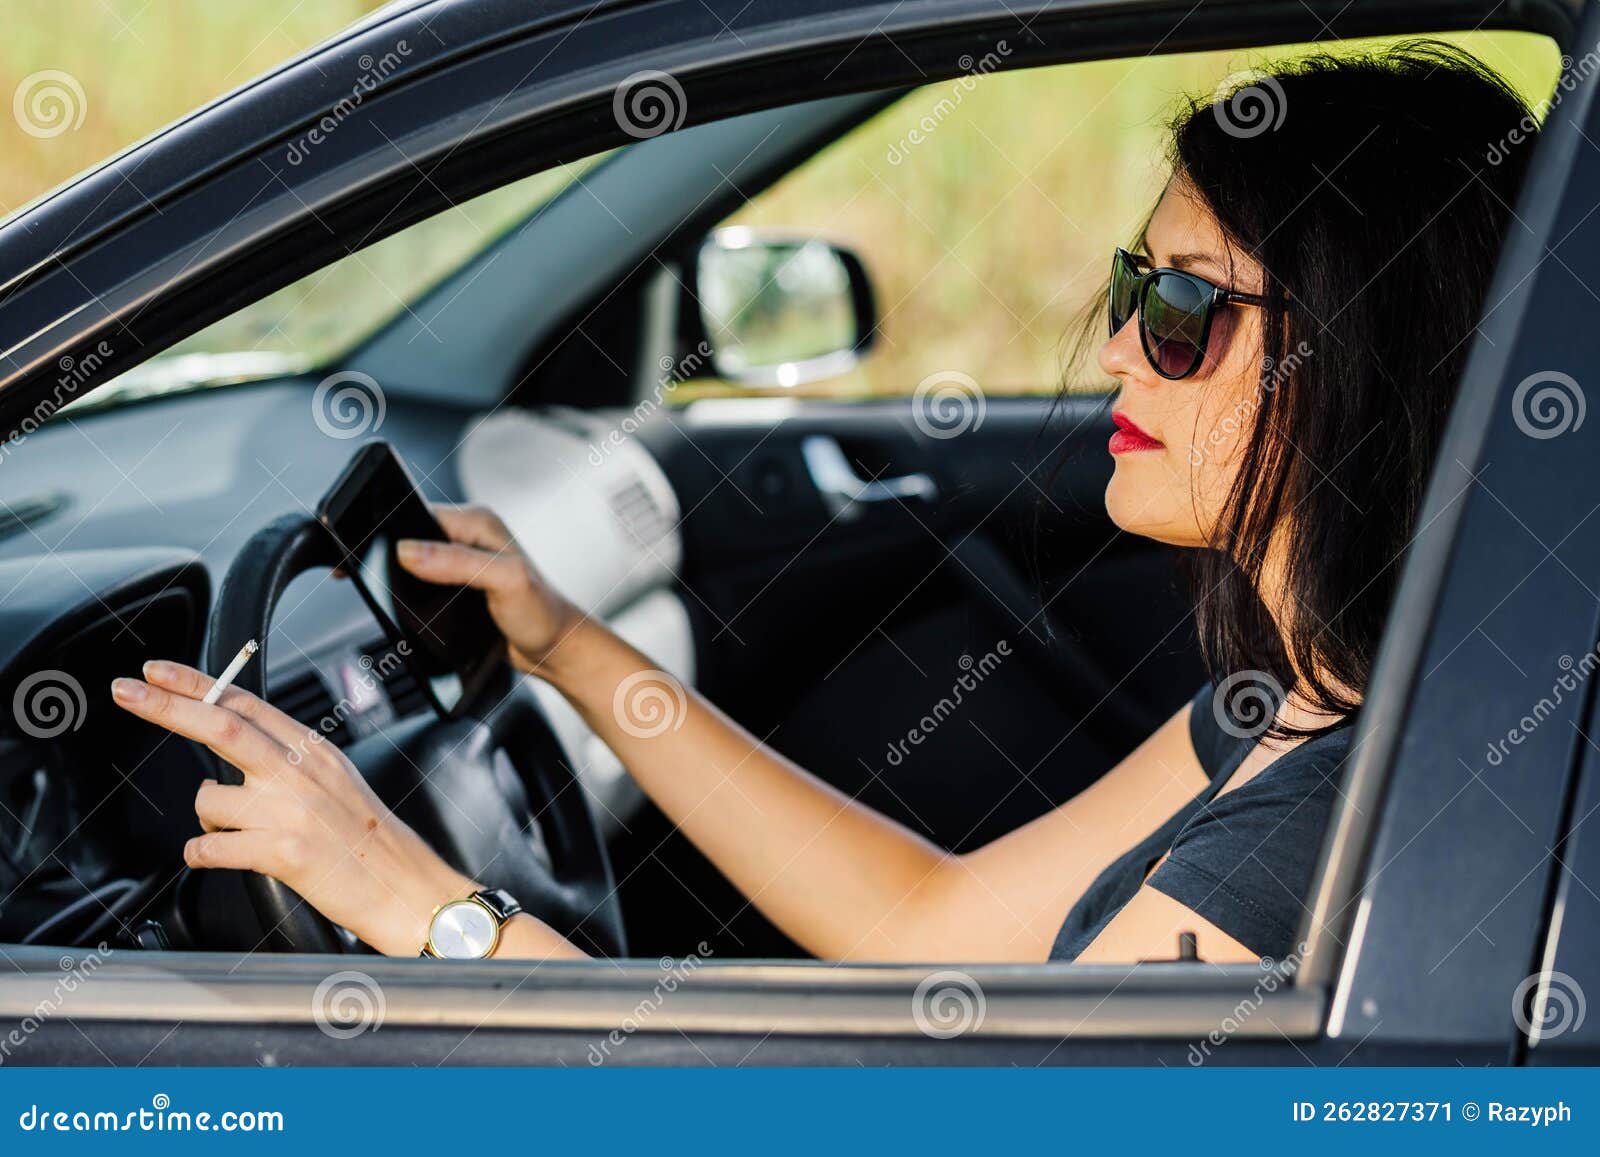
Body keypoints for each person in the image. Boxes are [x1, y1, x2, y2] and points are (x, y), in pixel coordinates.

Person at [111, 41, 1537, 964]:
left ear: (1356, 358)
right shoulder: (1296, 705)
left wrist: (415, 899)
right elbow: (922, 922)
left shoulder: (1318, 838)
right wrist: (568, 647)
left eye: (1179, 307)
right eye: (1131, 285)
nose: (1115, 347)